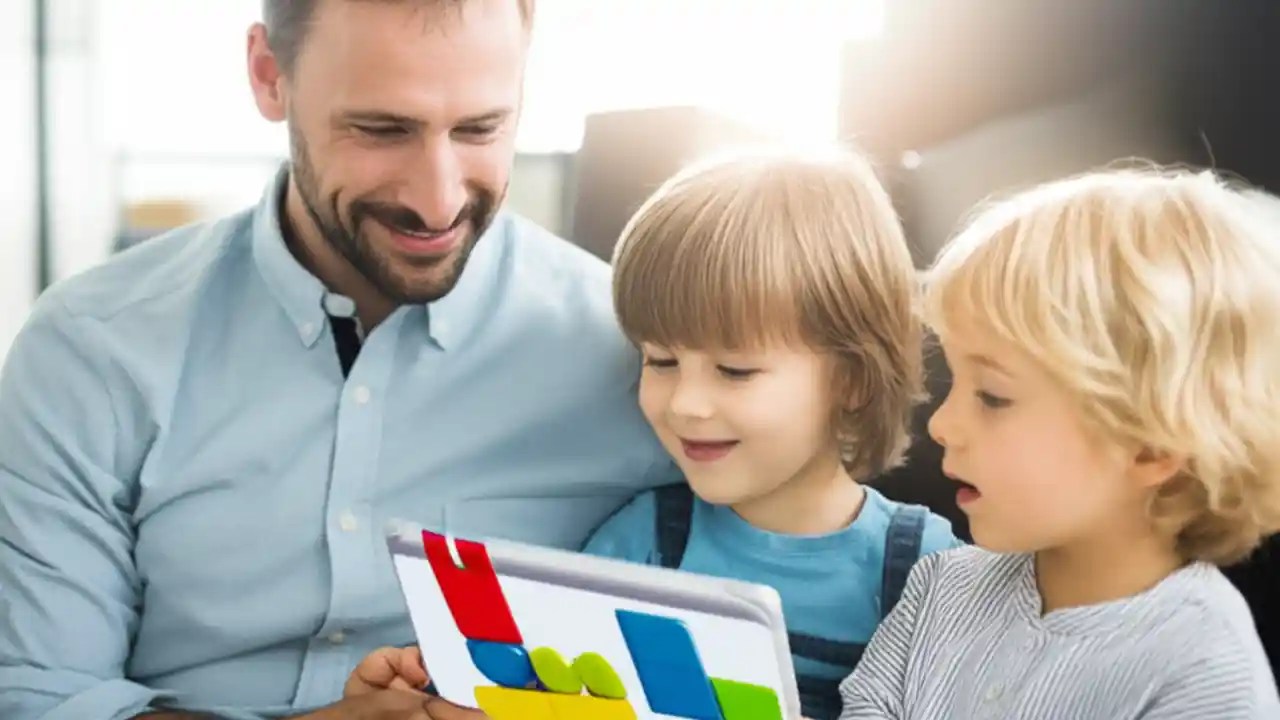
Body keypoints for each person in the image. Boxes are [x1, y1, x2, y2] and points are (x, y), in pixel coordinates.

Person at [0, 1, 673, 719]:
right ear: (269, 76)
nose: (439, 200)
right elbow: (42, 699)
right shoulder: (93, 348)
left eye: (480, 128)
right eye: (381, 130)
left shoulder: (639, 352)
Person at [344, 147, 961, 720]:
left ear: (851, 380)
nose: (686, 404)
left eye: (735, 370)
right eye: (660, 361)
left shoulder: (924, 571)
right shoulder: (643, 540)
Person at [840, 167, 1280, 719]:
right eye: (956, 383)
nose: (942, 426)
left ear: (1150, 445)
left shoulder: (1206, 672)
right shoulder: (940, 587)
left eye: (993, 396)